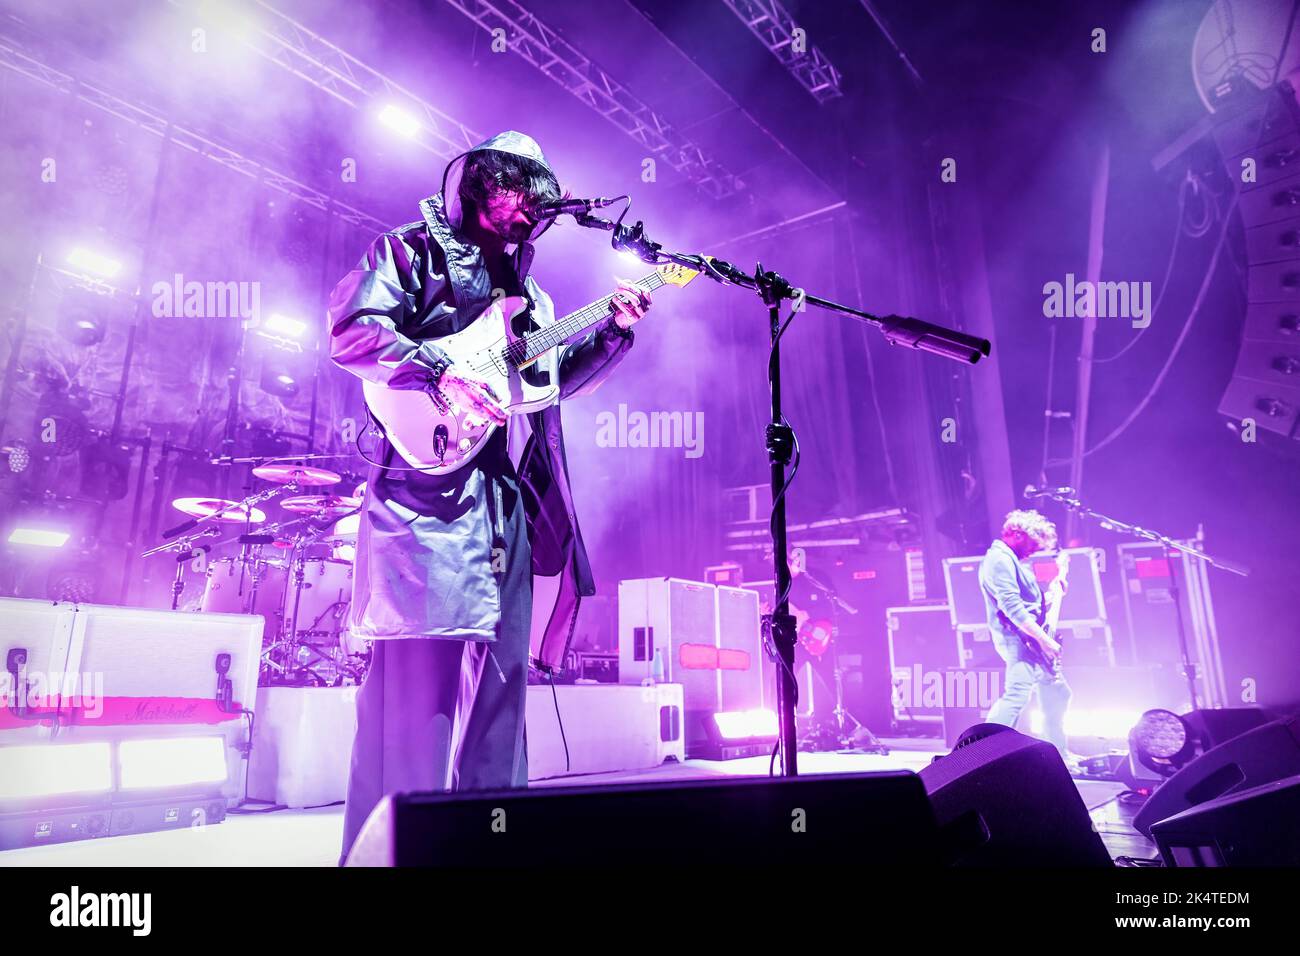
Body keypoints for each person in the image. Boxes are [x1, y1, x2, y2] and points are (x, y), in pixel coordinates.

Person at [326, 131, 652, 863]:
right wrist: (438, 368)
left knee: (503, 701)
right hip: (425, 499)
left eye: (533, 198)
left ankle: (490, 853)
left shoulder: (531, 297)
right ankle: (392, 853)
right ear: (476, 187)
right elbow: (353, 332)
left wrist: (612, 336)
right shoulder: (409, 252)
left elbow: (546, 384)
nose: (524, 209)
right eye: (511, 190)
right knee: (413, 707)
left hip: (505, 504)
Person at [979, 508, 1072, 758]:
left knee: (1057, 692)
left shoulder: (1012, 561)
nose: (1034, 550)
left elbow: (1029, 604)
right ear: (1018, 534)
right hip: (1020, 640)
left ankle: (1058, 753)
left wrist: (1054, 590)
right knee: (1017, 695)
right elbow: (1012, 607)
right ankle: (982, 753)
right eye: (1033, 543)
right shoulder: (999, 559)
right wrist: (1044, 640)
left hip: (1030, 639)